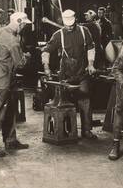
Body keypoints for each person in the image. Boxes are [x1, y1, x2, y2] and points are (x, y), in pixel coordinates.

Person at [42, 9, 98, 140]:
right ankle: (67, 130)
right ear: (63, 22)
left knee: (85, 100)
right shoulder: (58, 35)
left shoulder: (85, 32)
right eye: (67, 25)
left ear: (75, 21)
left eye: (71, 25)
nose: (69, 27)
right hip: (65, 74)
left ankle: (87, 130)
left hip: (82, 71)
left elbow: (91, 47)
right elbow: (46, 51)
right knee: (64, 101)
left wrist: (91, 64)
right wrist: (46, 67)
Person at [0, 12, 30, 156]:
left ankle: (10, 140)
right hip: (3, 81)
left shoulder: (1, 32)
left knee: (9, 110)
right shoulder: (12, 40)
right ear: (19, 22)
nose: (24, 27)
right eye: (23, 25)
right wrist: (27, 56)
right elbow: (20, 64)